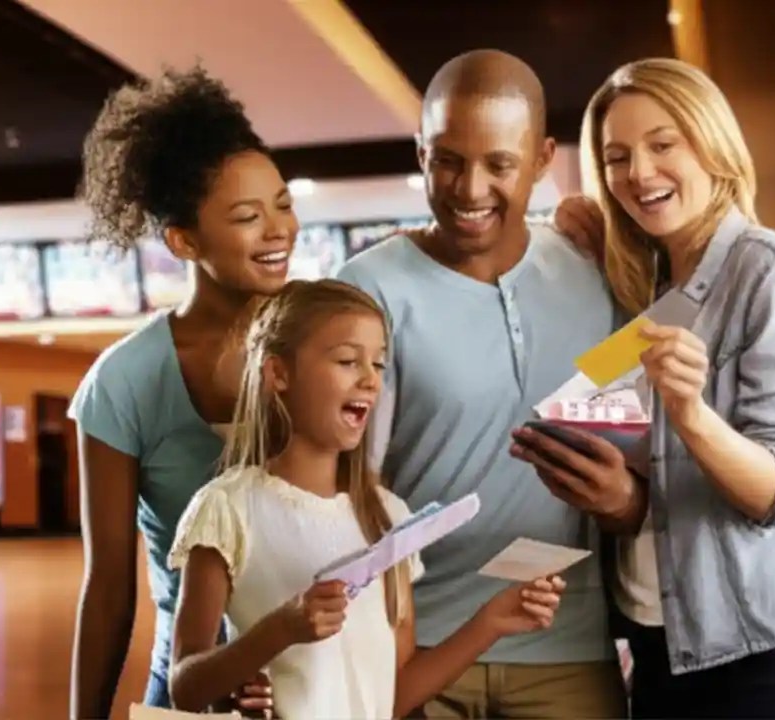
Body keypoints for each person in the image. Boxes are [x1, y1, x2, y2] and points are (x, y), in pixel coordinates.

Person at [334, 49, 627, 718]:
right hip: (416, 648)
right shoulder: (366, 289)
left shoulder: (600, 272)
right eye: (447, 160)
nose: (469, 190)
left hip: (565, 645)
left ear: (543, 159)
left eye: (499, 164)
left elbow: (635, 438)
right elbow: (338, 484)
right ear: (420, 154)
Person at [510, 57, 775, 718]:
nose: (639, 173)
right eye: (616, 157)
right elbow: (656, 486)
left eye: (664, 145)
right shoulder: (642, 284)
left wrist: (691, 413)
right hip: (655, 645)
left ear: (711, 142)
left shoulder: (766, 272)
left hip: (752, 656)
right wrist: (616, 497)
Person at [167, 279, 567, 719]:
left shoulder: (390, 516)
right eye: (346, 361)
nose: (370, 380)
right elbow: (186, 687)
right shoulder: (226, 507)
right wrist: (283, 629)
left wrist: (491, 622)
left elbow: (393, 699)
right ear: (278, 373)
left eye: (378, 364)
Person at [69, 65, 295, 717]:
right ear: (184, 240)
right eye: (249, 216)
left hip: (317, 685)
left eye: (282, 204)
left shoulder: (326, 342)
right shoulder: (125, 382)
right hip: (191, 693)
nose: (278, 230)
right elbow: (109, 588)